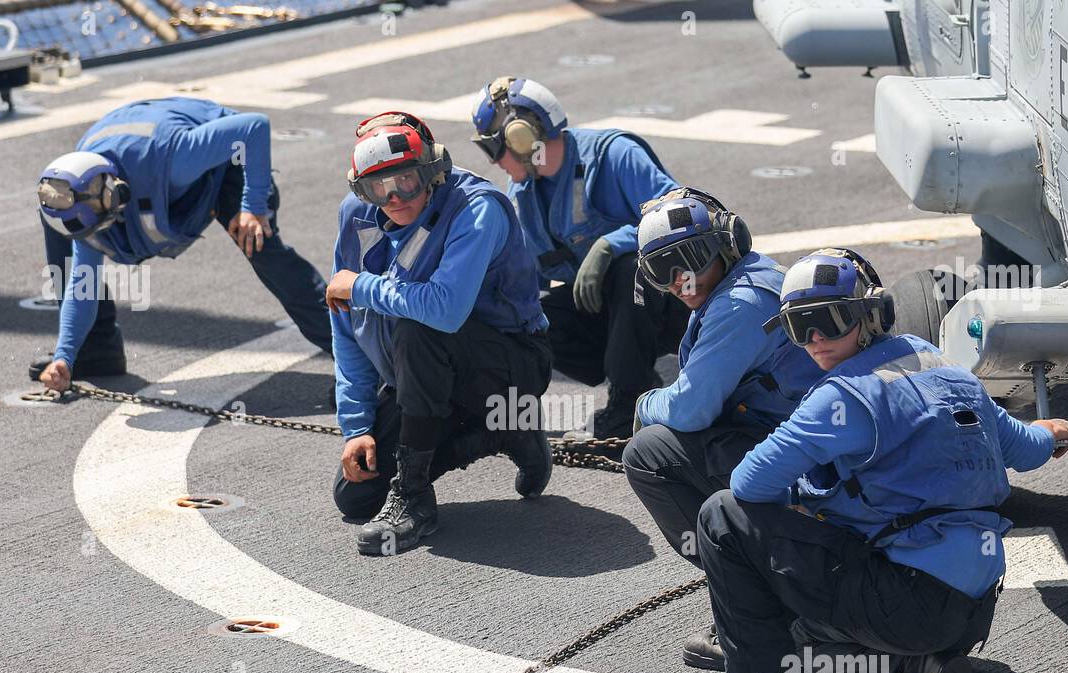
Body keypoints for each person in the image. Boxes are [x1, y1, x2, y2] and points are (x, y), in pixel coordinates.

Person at [688, 248, 1068, 673]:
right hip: (973, 610)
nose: (813, 341)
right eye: (798, 327)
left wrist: (808, 500)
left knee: (722, 516)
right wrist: (1054, 432)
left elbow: (748, 484)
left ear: (869, 316)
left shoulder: (842, 396)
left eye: (827, 321)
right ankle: (916, 670)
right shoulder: (950, 370)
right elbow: (1025, 447)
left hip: (903, 601)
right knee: (808, 637)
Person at [327, 111, 553, 556]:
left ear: (433, 170)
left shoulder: (477, 209)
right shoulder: (357, 217)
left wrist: (361, 285)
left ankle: (412, 495)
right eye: (378, 189)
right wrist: (356, 427)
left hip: (507, 365)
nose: (394, 199)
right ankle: (503, 432)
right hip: (423, 376)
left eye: (406, 182)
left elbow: (445, 311)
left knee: (419, 323)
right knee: (355, 495)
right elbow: (347, 325)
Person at [621, 189, 820, 670]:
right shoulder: (751, 278)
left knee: (648, 454)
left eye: (689, 259)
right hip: (809, 444)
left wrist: (646, 403)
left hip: (807, 462)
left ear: (728, 243)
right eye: (662, 271)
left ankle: (754, 599)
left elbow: (690, 410)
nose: (680, 281)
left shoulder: (739, 304)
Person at [33, 96, 333, 390]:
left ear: (117, 193)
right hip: (159, 172)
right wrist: (65, 357)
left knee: (264, 250)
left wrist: (252, 207)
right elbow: (81, 284)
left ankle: (357, 361)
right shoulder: (82, 203)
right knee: (60, 234)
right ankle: (94, 351)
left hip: (227, 161)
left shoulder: (175, 157)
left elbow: (254, 127)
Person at [469, 76, 687, 438]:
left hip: (672, 302)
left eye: (494, 149)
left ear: (520, 136)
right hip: (611, 318)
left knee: (629, 268)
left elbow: (679, 215)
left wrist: (611, 244)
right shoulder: (523, 193)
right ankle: (639, 382)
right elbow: (523, 275)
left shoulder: (613, 155)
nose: (494, 163)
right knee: (526, 318)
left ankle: (624, 405)